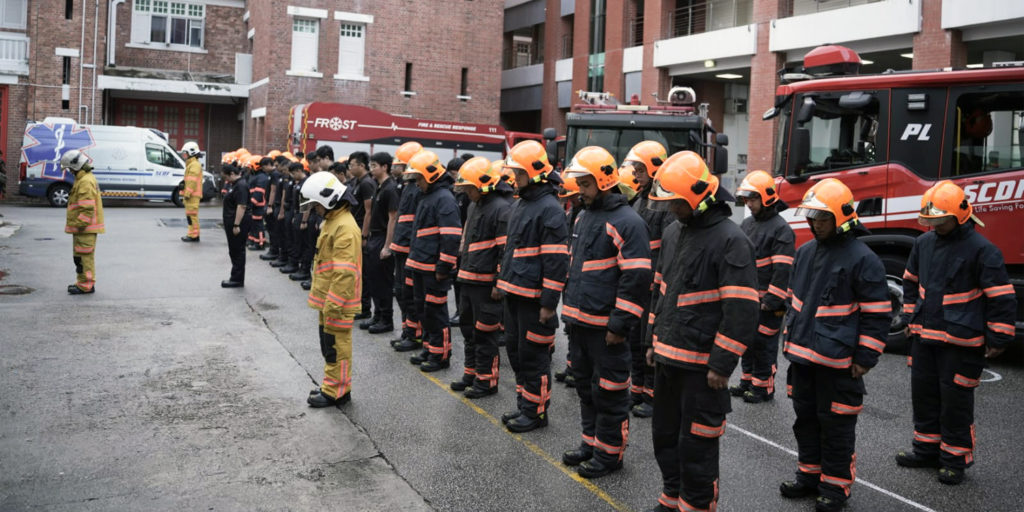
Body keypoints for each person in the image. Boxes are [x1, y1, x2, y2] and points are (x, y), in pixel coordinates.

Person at [643, 151, 758, 512]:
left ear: (697, 198)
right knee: (664, 436)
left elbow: (741, 310)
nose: (672, 209)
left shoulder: (731, 240)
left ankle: (696, 505)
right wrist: (651, 341)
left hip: (702, 369)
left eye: (676, 203)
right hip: (668, 357)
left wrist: (722, 365)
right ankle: (671, 497)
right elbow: (660, 290)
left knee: (697, 445)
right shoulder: (674, 232)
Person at [779, 178, 890, 512]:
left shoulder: (864, 258)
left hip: (839, 363)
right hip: (803, 358)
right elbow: (793, 301)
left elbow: (877, 314)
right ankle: (809, 476)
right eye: (811, 218)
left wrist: (866, 357)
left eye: (822, 218)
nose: (814, 224)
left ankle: (836, 487)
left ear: (842, 217)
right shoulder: (805, 251)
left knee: (836, 427)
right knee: (805, 421)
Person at [896, 180, 1016, 485]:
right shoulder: (924, 244)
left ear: (960, 215)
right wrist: (911, 316)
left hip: (961, 342)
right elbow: (909, 282)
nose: (934, 225)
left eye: (940, 220)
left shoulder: (982, 250)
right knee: (924, 396)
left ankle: (954, 459)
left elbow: (1001, 296)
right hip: (924, 337)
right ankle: (925, 451)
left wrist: (999, 336)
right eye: (931, 220)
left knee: (955, 402)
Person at [559, 146, 652, 479]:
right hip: (581, 323)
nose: (580, 192)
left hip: (606, 329)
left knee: (610, 393)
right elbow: (578, 269)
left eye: (585, 185)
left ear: (603, 181)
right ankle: (591, 444)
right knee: (586, 388)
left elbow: (637, 278)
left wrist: (619, 324)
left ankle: (609, 455)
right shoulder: (585, 217)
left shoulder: (628, 222)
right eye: (579, 184)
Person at [496, 140, 570, 433]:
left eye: (519, 173)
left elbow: (556, 262)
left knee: (534, 357)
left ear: (535, 173)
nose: (514, 179)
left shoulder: (549, 208)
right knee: (516, 353)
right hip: (515, 294)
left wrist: (549, 303)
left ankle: (536, 413)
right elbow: (512, 251)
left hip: (534, 300)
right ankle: (525, 406)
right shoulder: (522, 205)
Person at [450, 156, 513, 398]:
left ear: (483, 185)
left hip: (487, 284)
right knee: (468, 329)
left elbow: (505, 250)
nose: (467, 193)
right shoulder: (474, 205)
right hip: (468, 278)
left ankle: (486, 381)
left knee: (485, 333)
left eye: (469, 189)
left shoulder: (501, 208)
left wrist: (499, 281)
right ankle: (471, 373)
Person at [732, 169, 795, 404]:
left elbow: (783, 270)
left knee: (764, 345)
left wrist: (772, 300)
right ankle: (747, 382)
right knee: (748, 343)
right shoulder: (747, 224)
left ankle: (763, 388)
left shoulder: (781, 229)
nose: (748, 203)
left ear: (767, 198)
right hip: (748, 299)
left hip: (769, 303)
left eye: (753, 198)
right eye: (746, 199)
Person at [621, 140, 673, 418]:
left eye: (640, 169)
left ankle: (652, 397)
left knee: (649, 340)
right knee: (635, 339)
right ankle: (637, 390)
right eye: (636, 169)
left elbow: (667, 247)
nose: (637, 174)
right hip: (638, 282)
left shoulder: (664, 203)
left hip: (654, 285)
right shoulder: (640, 199)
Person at [302, 171, 362, 407]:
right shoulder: (333, 221)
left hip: (337, 302)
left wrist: (334, 304)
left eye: (316, 204)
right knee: (329, 346)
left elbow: (345, 272)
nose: (315, 208)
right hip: (329, 300)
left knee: (337, 347)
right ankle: (333, 385)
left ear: (328, 200)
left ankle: (337, 391)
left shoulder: (345, 227)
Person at [403, 151, 462, 372]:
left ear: (430, 175)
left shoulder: (445, 198)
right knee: (423, 310)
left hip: (433, 269)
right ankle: (430, 349)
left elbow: (451, 236)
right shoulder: (427, 196)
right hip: (420, 264)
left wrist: (444, 266)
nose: (417, 183)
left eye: (419, 179)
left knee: (436, 312)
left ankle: (441, 355)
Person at [390, 142, 426, 352]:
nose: (398, 170)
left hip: (409, 250)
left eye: (402, 166)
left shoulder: (417, 190)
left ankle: (414, 335)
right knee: (401, 293)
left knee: (409, 295)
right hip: (401, 248)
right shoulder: (408, 187)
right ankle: (407, 331)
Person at [361, 152, 400, 333]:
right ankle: (377, 315)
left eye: (374, 165)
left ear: (385, 167)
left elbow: (393, 218)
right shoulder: (379, 187)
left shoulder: (390, 189)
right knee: (374, 280)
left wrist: (387, 246)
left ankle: (386, 319)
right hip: (374, 237)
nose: (371, 169)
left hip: (383, 237)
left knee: (383, 282)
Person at [61, 150, 105, 295]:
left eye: (69, 168)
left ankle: (86, 285)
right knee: (79, 258)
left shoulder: (85, 181)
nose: (69, 171)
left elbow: (87, 209)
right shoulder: (83, 179)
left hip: (84, 229)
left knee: (84, 258)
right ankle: (82, 282)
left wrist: (79, 225)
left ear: (75, 167)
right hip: (83, 229)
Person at [553, 175, 582, 388]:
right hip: (570, 275)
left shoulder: (585, 215)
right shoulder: (571, 214)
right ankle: (572, 366)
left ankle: (577, 368)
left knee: (578, 326)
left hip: (580, 278)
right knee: (570, 325)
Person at [348, 151, 377, 322]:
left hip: (361, 230)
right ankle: (358, 303)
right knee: (357, 271)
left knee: (363, 272)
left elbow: (368, 212)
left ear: (361, 165)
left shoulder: (367, 184)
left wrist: (364, 235)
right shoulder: (356, 182)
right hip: (355, 228)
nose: (350, 167)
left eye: (353, 164)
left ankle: (365, 308)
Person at [220, 162, 251, 288]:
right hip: (232, 222)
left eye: (226, 177)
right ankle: (235, 276)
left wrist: (236, 224)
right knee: (234, 250)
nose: (226, 180)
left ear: (232, 174)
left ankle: (237, 279)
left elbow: (242, 206)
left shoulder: (241, 186)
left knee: (237, 250)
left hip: (238, 223)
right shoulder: (235, 184)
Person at [260, 154, 288, 262]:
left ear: (268, 165)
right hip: (272, 204)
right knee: (272, 230)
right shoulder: (273, 174)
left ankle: (274, 251)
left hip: (274, 205)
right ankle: (273, 250)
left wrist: (270, 206)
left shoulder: (275, 175)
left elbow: (273, 190)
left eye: (263, 167)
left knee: (274, 230)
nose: (263, 170)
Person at [179, 142, 203, 242]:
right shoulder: (192, 164)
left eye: (185, 153)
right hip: (191, 195)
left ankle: (194, 236)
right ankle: (192, 234)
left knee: (192, 217)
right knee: (190, 216)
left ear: (191, 153)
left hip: (192, 196)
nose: (184, 156)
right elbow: (189, 181)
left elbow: (192, 182)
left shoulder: (194, 165)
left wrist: (187, 193)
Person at [247, 156, 272, 250]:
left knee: (258, 225)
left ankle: (260, 243)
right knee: (254, 225)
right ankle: (254, 241)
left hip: (258, 206)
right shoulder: (258, 176)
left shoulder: (261, 177)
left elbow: (258, 192)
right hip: (256, 206)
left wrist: (251, 203)